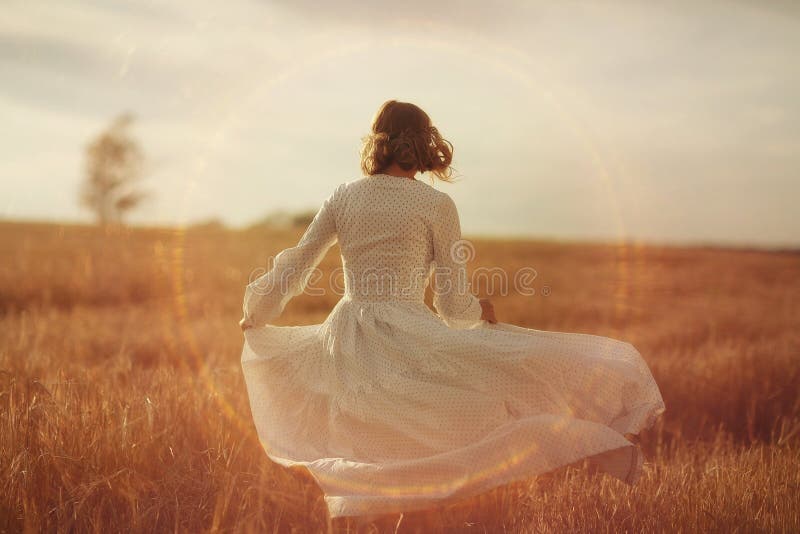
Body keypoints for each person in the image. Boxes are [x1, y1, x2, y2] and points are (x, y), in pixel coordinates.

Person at [239, 99, 665, 525]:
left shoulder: (344, 196)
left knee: (362, 444)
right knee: (463, 423)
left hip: (347, 339)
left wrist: (258, 310)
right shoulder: (436, 206)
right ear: (425, 145)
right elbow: (451, 305)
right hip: (407, 332)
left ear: (376, 141)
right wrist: (481, 310)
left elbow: (299, 261)